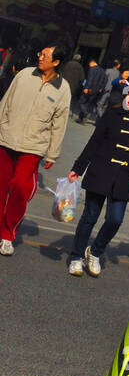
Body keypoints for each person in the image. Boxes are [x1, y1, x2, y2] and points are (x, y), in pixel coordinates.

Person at [66, 85, 129, 276]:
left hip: (123, 177)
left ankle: (95, 252)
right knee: (90, 216)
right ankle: (76, 256)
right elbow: (94, 142)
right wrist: (77, 168)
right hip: (101, 171)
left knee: (115, 219)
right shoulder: (112, 115)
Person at [0, 43, 71, 255]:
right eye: (40, 54)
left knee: (20, 187)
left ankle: (7, 234)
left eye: (46, 56)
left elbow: (60, 124)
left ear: (56, 62)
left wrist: (53, 153)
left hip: (34, 146)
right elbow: (5, 103)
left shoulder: (62, 88)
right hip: (7, 138)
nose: (40, 57)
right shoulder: (23, 75)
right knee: (1, 186)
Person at [78, 58, 107, 124]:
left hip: (89, 89)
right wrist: (101, 88)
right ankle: (81, 118)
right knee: (87, 103)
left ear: (92, 63)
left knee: (81, 101)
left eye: (89, 64)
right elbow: (105, 80)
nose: (89, 66)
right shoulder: (102, 71)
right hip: (96, 90)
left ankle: (85, 113)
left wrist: (86, 88)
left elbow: (90, 79)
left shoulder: (92, 69)